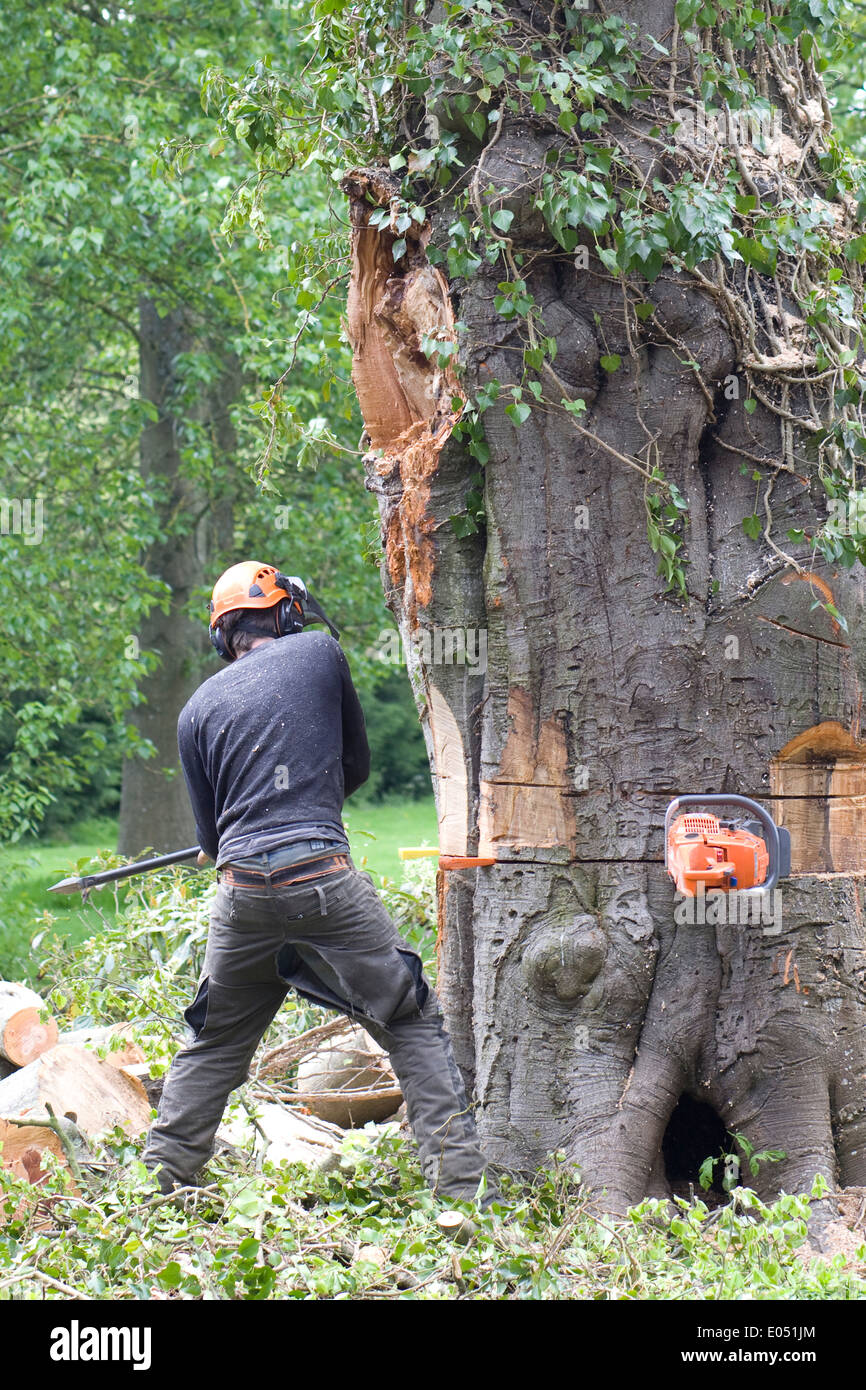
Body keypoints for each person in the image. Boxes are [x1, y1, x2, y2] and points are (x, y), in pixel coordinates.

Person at [142, 561, 498, 1208]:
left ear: (225, 637)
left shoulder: (195, 712)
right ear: (286, 613)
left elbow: (213, 843)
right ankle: (461, 1194)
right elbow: (353, 765)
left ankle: (160, 1188)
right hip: (322, 878)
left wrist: (234, 837)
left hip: (241, 892)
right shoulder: (319, 652)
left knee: (214, 1039)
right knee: (409, 1016)